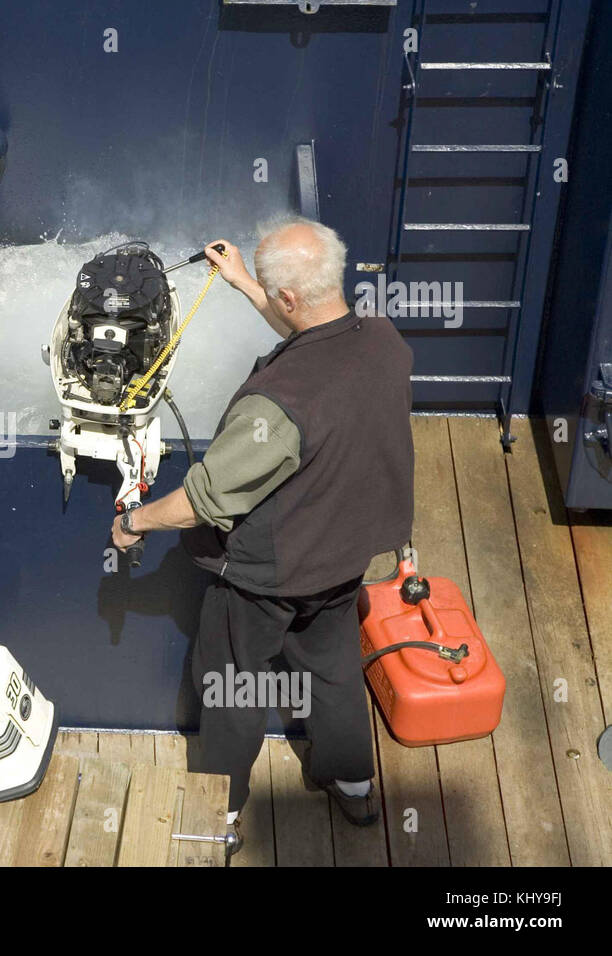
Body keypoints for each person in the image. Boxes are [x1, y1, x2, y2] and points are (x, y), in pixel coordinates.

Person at [110, 217, 414, 826]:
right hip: (345, 556)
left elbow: (205, 500)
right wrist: (247, 284)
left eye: (277, 296)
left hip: (267, 576)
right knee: (331, 669)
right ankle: (353, 783)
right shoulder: (384, 341)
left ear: (290, 298)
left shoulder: (278, 405)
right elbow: (313, 331)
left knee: (231, 685)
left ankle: (219, 808)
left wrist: (136, 521)